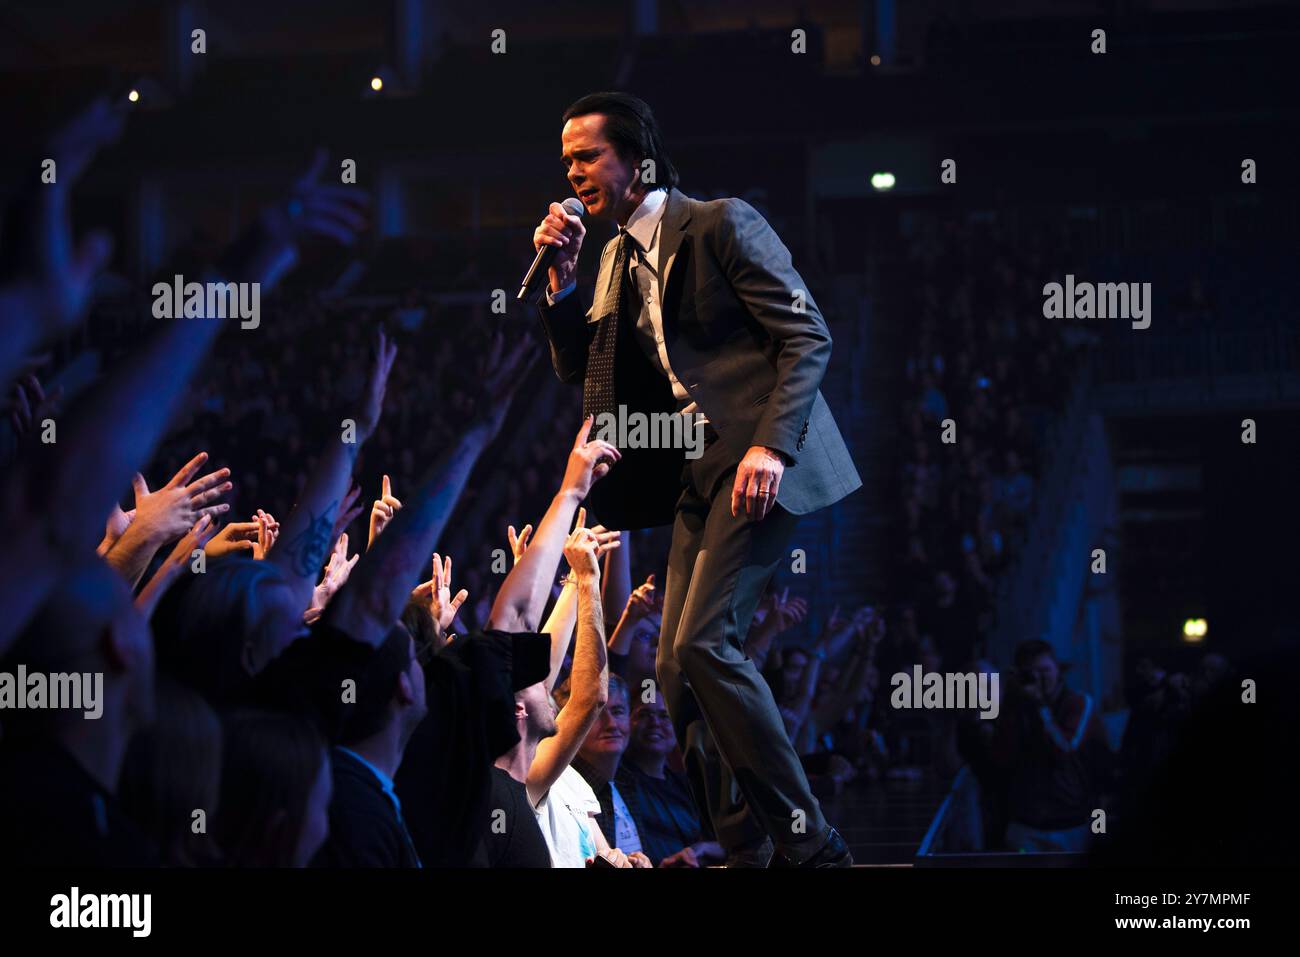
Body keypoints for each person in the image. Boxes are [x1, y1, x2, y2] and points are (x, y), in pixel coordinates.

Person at [533, 91, 861, 866]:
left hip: (761, 461)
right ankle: (745, 841)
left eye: (587, 155)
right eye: (566, 161)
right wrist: (562, 283)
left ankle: (813, 845)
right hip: (695, 471)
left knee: (707, 643)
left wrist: (771, 448)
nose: (573, 171)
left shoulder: (719, 222)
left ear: (637, 158)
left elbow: (807, 333)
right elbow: (585, 371)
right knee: (677, 667)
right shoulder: (613, 255)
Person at [312, 624, 426, 868]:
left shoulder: (353, 784)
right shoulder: (357, 812)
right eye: (415, 656)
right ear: (403, 685)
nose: (423, 667)